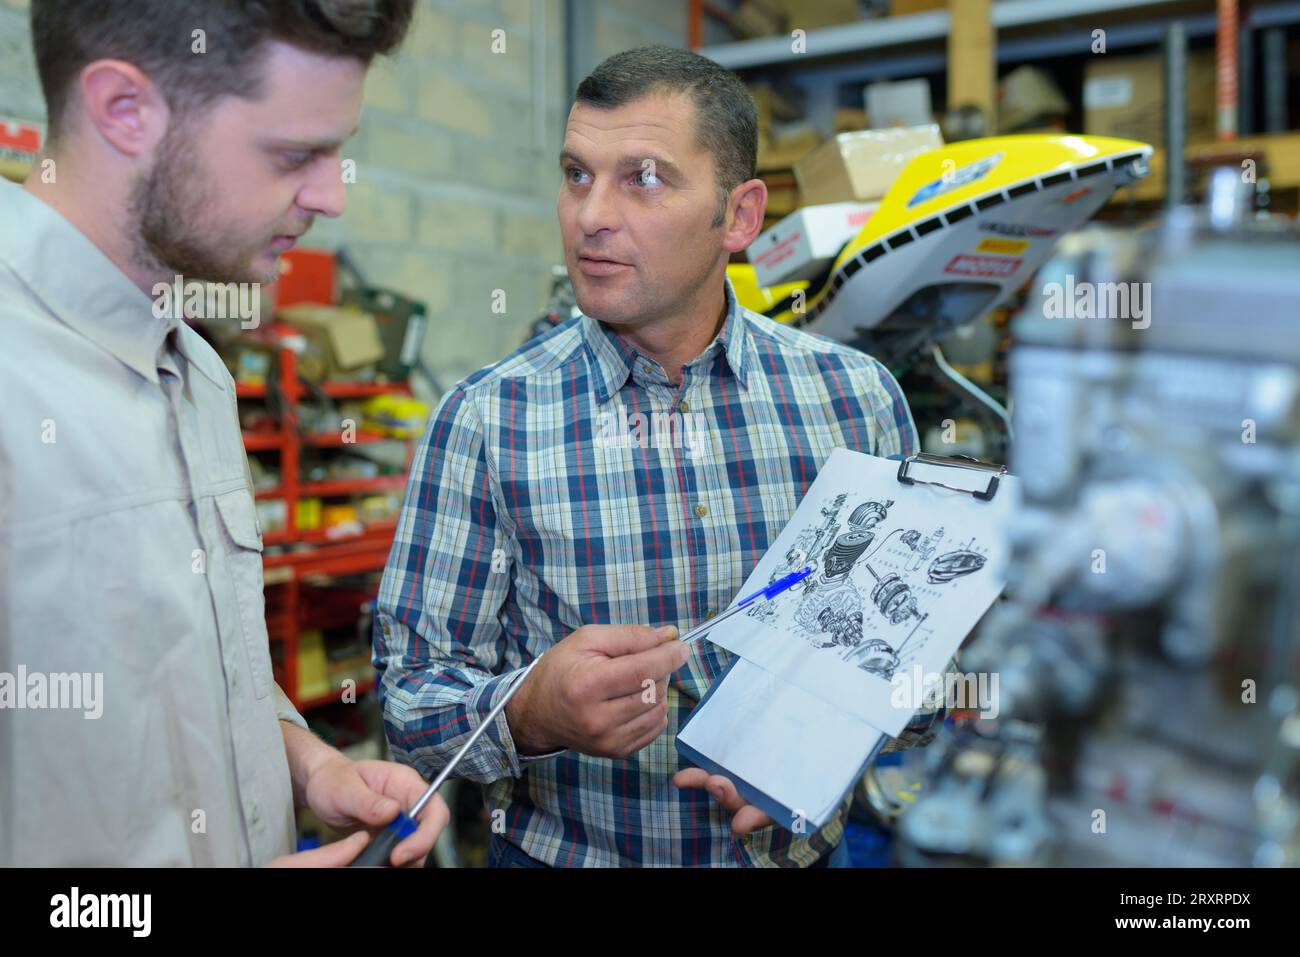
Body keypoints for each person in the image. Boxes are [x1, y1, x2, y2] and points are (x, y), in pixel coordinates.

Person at [374, 46, 918, 867]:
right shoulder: (490, 419)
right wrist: (530, 709)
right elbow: (409, 691)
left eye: (645, 178)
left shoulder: (855, 400)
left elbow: (921, 656)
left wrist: (812, 749)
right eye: (576, 174)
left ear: (738, 217)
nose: (591, 213)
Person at [0, 0, 447, 867]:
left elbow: (196, 669)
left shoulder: (200, 378)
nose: (332, 196)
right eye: (295, 154)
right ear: (125, 111)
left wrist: (311, 766)